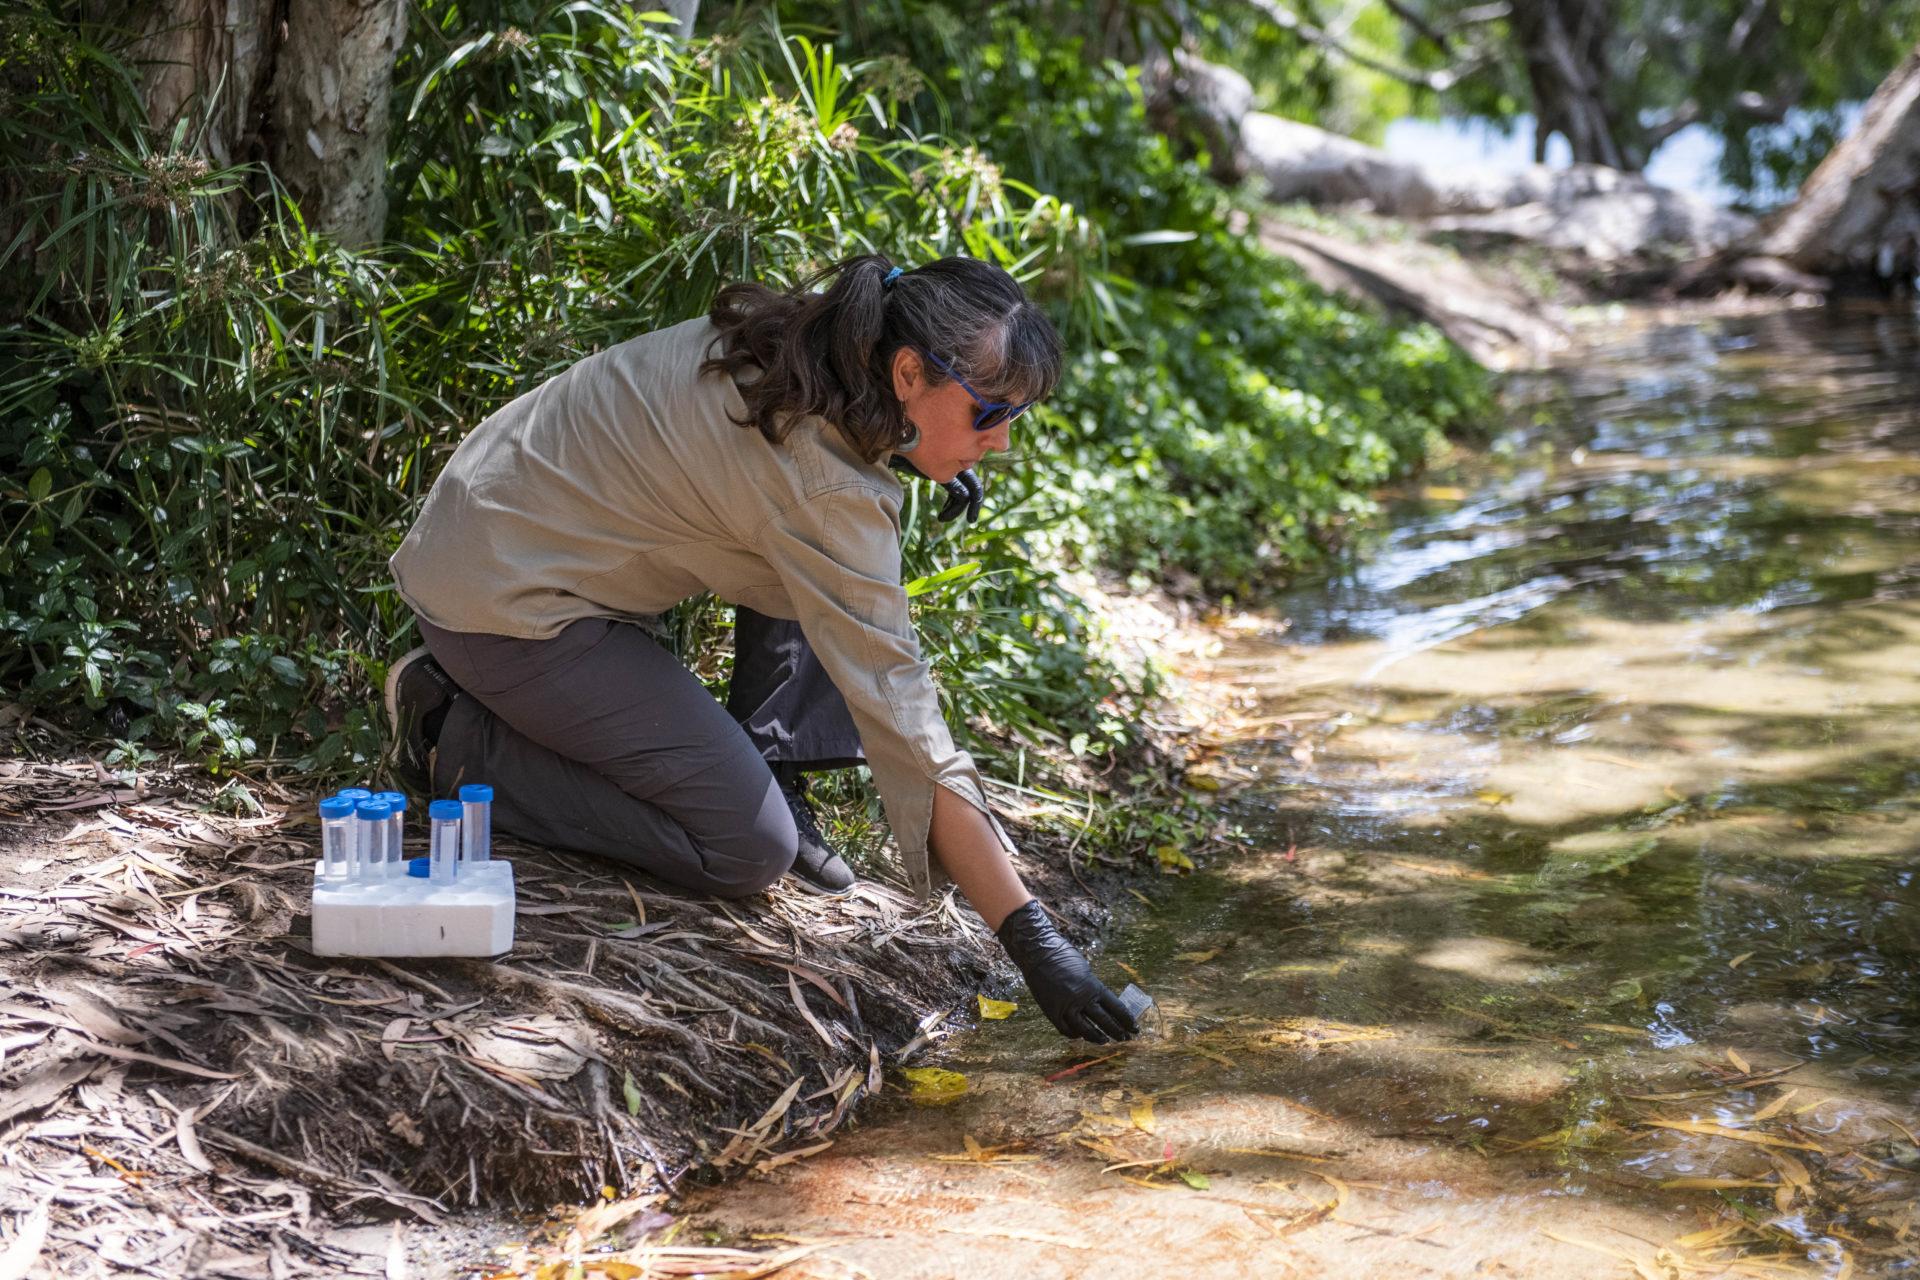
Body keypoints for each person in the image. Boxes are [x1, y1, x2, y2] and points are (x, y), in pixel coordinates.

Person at [383, 253, 1140, 1044]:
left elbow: (816, 512)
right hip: (505, 605)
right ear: (910, 370)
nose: (1004, 444)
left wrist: (930, 449)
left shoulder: (815, 353)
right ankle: (448, 735)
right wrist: (1032, 939)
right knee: (748, 848)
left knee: (838, 558)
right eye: (990, 415)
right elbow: (908, 730)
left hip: (493, 525)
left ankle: (771, 765)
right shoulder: (823, 483)